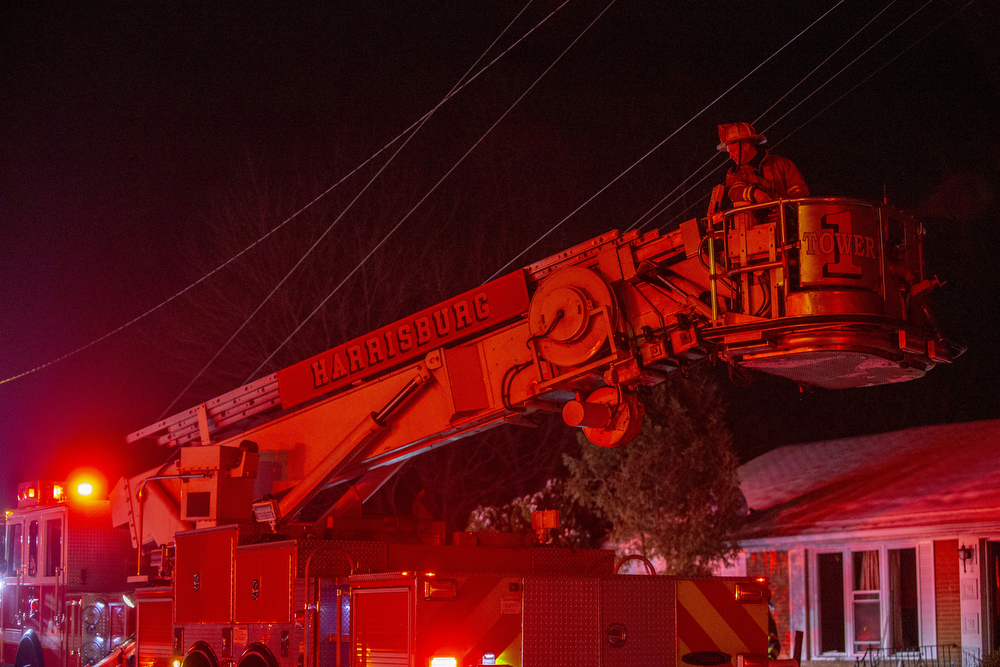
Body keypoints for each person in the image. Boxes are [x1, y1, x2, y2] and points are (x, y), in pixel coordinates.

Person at [717, 122, 809, 206]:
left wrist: (785, 209)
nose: (730, 156)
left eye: (732, 151)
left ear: (746, 146)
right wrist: (755, 193)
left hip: (787, 223)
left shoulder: (783, 164)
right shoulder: (734, 174)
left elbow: (801, 192)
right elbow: (735, 191)